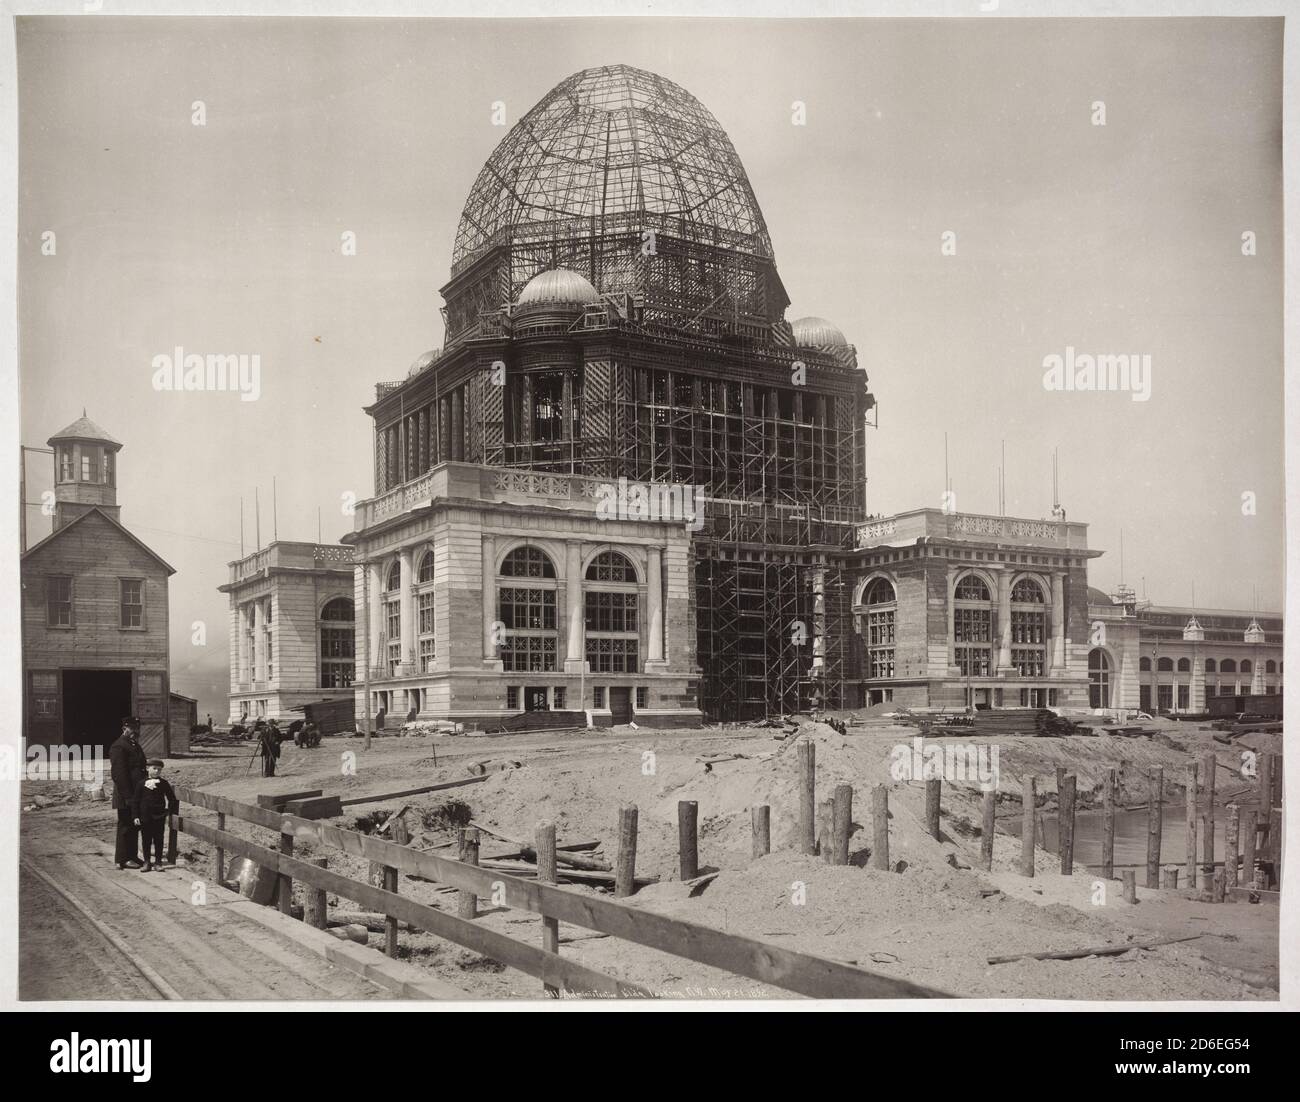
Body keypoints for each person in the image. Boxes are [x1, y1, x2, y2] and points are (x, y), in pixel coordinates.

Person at [109, 717, 147, 870]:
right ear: (124, 728)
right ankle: (123, 859)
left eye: (137, 728)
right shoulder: (119, 746)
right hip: (126, 794)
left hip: (135, 793)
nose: (135, 732)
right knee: (125, 825)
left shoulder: (133, 745)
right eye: (132, 729)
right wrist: (128, 796)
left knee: (133, 825)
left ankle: (132, 856)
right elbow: (119, 774)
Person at [132, 759, 178, 872]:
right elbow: (135, 801)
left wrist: (168, 812)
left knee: (159, 839)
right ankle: (147, 862)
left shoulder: (163, 783)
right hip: (145, 816)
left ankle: (158, 862)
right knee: (146, 839)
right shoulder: (141, 783)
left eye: (159, 769)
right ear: (148, 768)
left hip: (159, 816)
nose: (157, 771)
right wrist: (135, 816)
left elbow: (172, 799)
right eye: (154, 768)